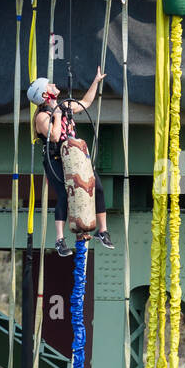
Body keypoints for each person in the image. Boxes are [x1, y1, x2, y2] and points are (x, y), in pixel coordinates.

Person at [27, 71, 113, 254]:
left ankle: (103, 230)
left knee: (96, 187)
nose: (53, 85)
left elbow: (85, 103)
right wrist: (57, 116)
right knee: (65, 195)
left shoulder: (64, 105)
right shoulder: (42, 117)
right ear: (45, 94)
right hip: (56, 159)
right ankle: (59, 240)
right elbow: (56, 136)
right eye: (49, 85)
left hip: (76, 156)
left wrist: (95, 81)